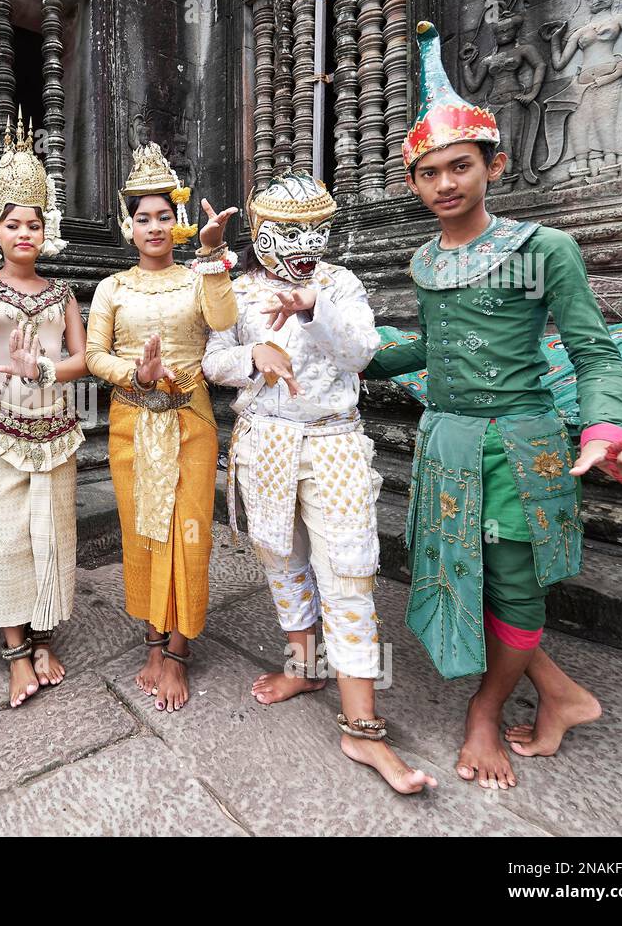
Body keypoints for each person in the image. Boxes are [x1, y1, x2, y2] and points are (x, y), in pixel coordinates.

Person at [365, 22, 622, 790]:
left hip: (522, 444)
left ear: (494, 164)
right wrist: (335, 337)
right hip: (446, 442)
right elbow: (428, 349)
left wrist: (608, 427)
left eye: (459, 167)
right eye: (428, 173)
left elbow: (594, 352)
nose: (445, 184)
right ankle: (560, 694)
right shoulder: (422, 259)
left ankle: (484, 711)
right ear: (413, 184)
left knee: (512, 583)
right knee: (463, 576)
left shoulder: (546, 248)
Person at [203, 169, 436, 793]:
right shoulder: (237, 288)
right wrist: (254, 356)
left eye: (314, 230)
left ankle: (363, 727)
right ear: (263, 233)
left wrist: (313, 308)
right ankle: (304, 666)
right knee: (283, 560)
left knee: (349, 571)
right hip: (265, 441)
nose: (303, 243)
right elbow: (212, 359)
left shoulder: (340, 283)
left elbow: (361, 352)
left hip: (333, 439)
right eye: (288, 232)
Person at [85, 138, 238, 712]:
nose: (154, 226)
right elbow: (96, 356)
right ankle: (152, 638)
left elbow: (224, 320)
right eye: (143, 217)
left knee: (190, 530)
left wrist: (215, 258)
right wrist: (137, 373)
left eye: (164, 216)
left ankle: (177, 650)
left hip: (191, 419)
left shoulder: (199, 277)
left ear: (177, 222)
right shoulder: (111, 288)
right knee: (144, 531)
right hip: (132, 419)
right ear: (128, 226)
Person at [0, 111, 87, 707]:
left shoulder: (62, 292)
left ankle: (42, 637)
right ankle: (14, 650)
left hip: (56, 426)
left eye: (33, 224)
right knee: (6, 539)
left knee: (52, 536)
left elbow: (83, 362)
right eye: (13, 225)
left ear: (47, 229)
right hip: (1, 429)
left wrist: (43, 370)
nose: (24, 234)